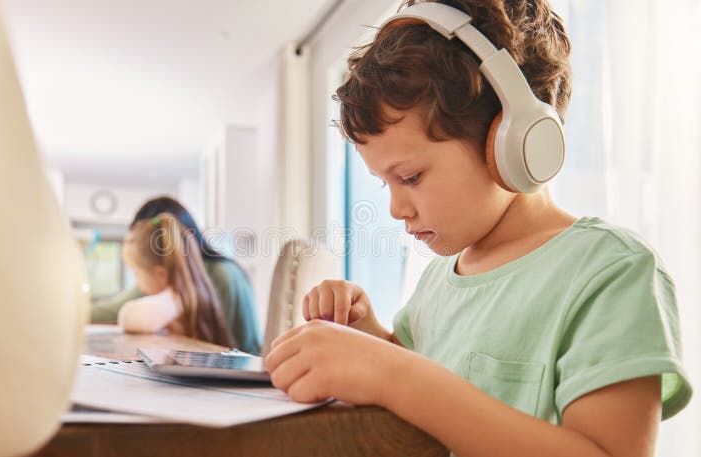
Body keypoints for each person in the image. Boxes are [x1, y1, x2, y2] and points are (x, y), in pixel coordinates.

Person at [265, 1, 692, 456]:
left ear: (512, 140)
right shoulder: (439, 280)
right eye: (384, 183)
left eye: (410, 177)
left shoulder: (610, 272)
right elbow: (424, 394)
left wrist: (391, 374)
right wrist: (366, 334)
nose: (395, 208)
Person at [92, 196, 263, 354]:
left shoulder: (218, 277)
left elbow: (126, 313)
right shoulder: (199, 275)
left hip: (236, 369)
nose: (139, 283)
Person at [118, 213, 235, 347]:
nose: (137, 283)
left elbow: (129, 317)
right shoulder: (192, 294)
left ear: (160, 274)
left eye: (137, 274)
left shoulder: (178, 299)